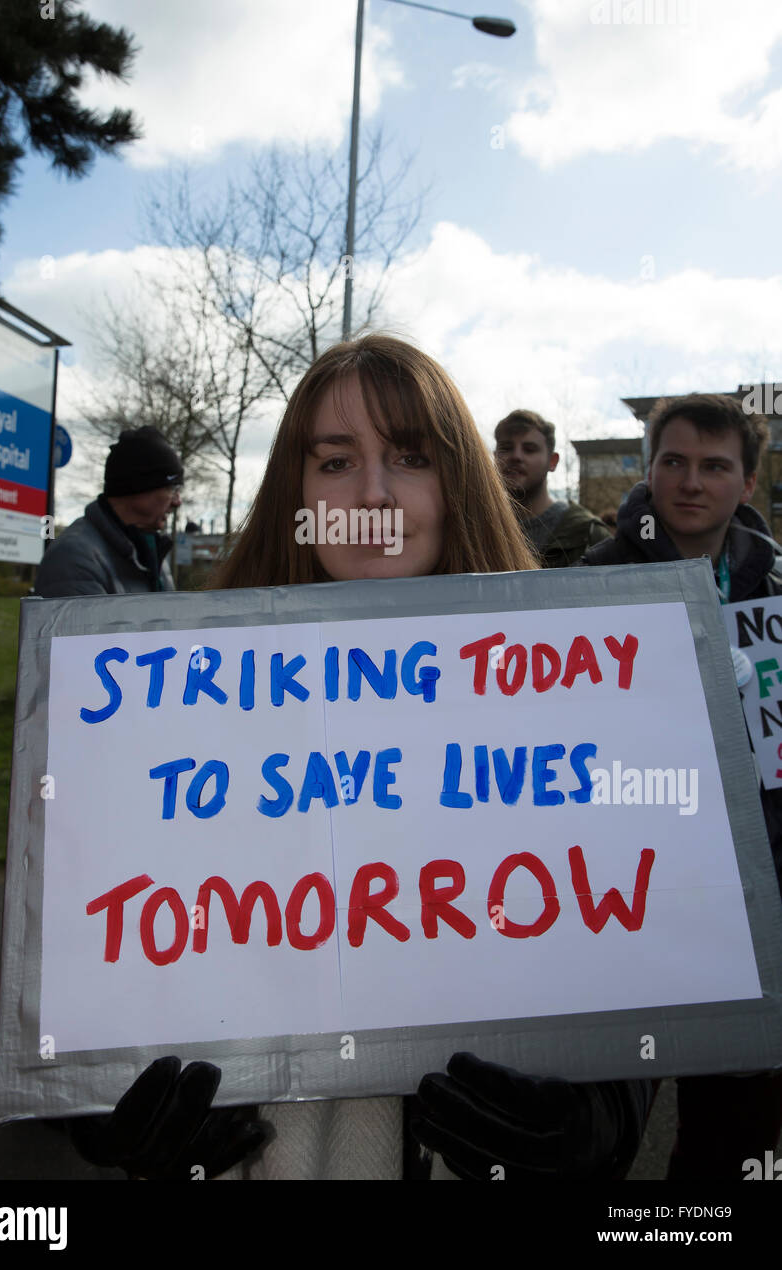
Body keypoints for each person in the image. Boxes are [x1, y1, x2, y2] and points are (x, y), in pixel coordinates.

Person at [66, 336, 656, 1181]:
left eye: (411, 458)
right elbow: (108, 939)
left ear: (456, 485)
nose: (373, 494)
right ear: (297, 496)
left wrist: (607, 1107)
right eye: (337, 461)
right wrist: (95, 1095)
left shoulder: (566, 696)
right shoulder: (174, 704)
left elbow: (638, 935)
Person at [582, 392, 782, 1180]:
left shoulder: (778, 593)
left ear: (747, 482)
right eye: (673, 461)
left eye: (714, 466)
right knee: (592, 1136)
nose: (690, 481)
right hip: (619, 907)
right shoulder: (583, 585)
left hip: (753, 907)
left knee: (730, 1147)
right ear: (648, 467)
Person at [34, 427, 183, 597]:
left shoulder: (152, 552)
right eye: (171, 488)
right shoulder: (73, 558)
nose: (177, 501)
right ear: (137, 487)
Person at [494, 409, 609, 568]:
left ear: (552, 461)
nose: (516, 456)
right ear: (494, 457)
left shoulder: (589, 534)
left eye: (529, 449)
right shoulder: (475, 532)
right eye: (506, 448)